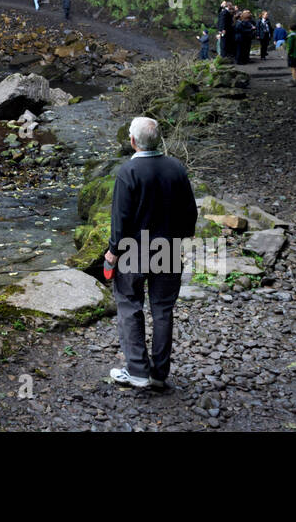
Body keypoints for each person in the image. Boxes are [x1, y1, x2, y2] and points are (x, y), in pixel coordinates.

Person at [104, 116, 198, 390]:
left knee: (130, 306)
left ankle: (137, 372)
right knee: (162, 310)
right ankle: (159, 374)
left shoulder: (128, 172)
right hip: (168, 248)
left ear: (133, 142)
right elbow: (190, 212)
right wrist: (183, 234)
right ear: (159, 140)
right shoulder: (176, 168)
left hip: (134, 250)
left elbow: (120, 219)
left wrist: (113, 252)